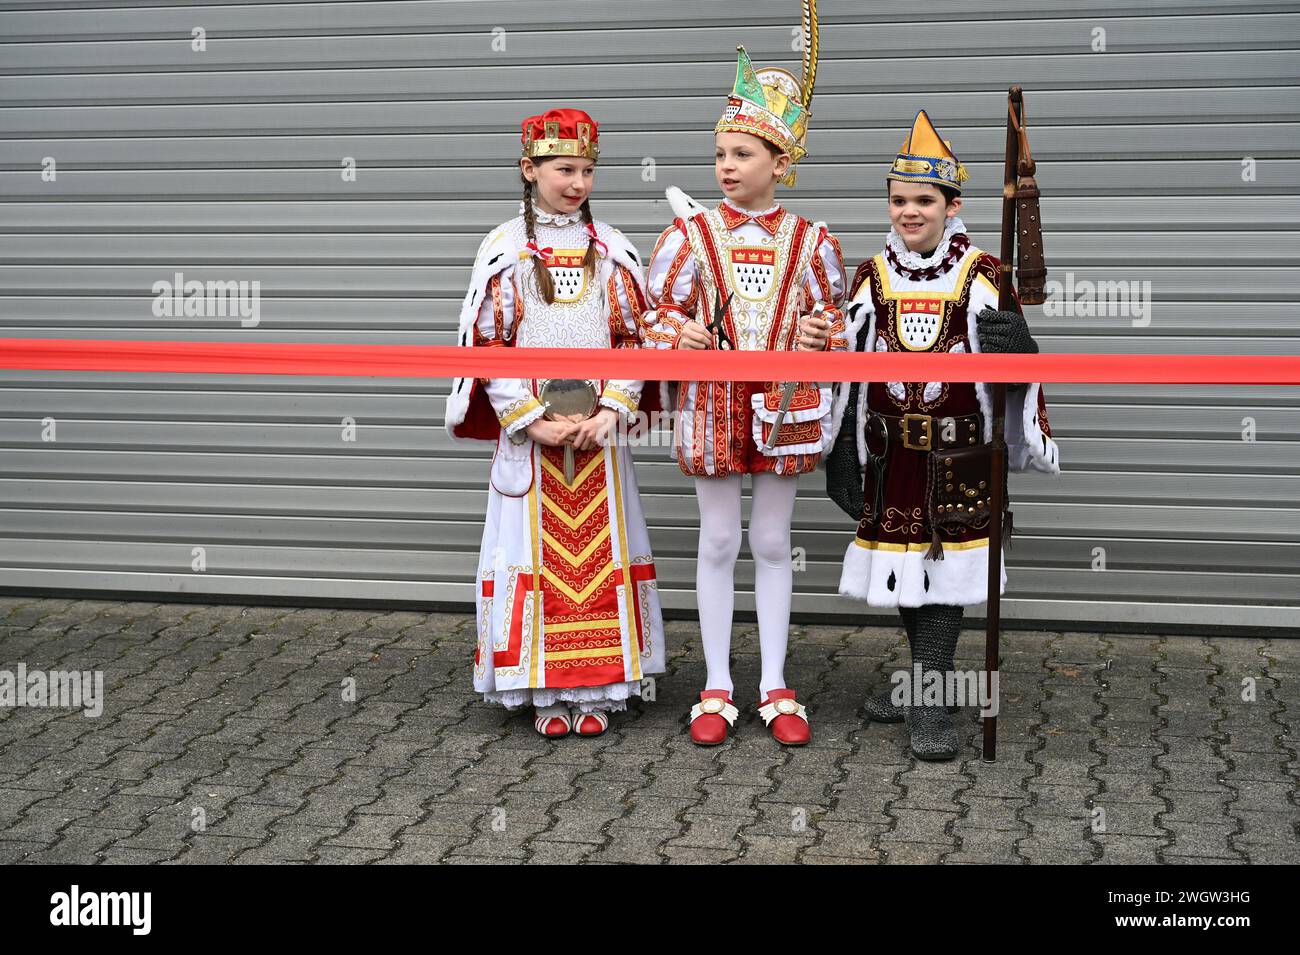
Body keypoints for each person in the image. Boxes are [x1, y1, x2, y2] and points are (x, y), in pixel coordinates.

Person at [825, 109, 1061, 760]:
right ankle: (925, 678)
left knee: (947, 577)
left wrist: (1022, 352)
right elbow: (847, 364)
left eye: (923, 200)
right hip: (893, 455)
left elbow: (1019, 372)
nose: (908, 211)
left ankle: (927, 695)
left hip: (961, 456)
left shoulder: (985, 275)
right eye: (898, 199)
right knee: (901, 572)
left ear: (951, 204)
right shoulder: (871, 275)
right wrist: (842, 444)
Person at [645, 12, 848, 747]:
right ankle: (717, 685)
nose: (726, 166)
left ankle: (774, 683)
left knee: (771, 539)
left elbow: (837, 320)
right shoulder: (686, 237)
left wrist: (819, 334)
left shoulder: (813, 239)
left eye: (742, 152)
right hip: (711, 403)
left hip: (784, 402)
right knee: (718, 539)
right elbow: (653, 314)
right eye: (720, 152)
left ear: (780, 160)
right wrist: (682, 333)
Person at [445, 108, 665, 738]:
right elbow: (487, 343)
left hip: (598, 440)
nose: (577, 182)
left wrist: (612, 410)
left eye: (588, 169)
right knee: (533, 560)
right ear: (529, 168)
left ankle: (600, 688)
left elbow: (633, 337)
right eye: (565, 168)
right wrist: (529, 418)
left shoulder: (613, 250)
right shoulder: (503, 249)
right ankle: (543, 690)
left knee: (599, 558)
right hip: (533, 442)